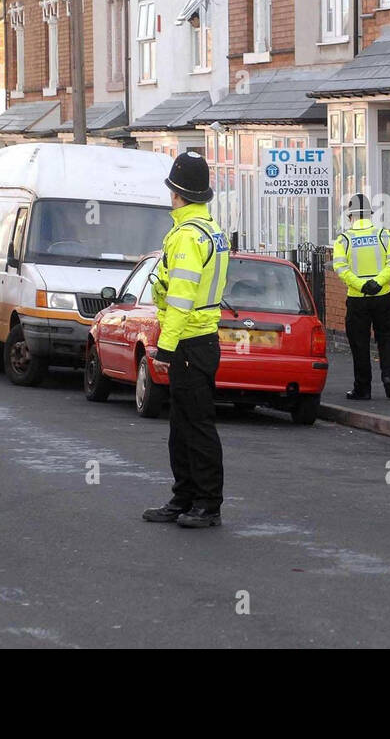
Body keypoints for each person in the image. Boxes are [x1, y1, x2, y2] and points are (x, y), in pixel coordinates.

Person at [143, 152, 230, 529]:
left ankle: (206, 504)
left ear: (177, 194)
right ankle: (185, 499)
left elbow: (181, 296)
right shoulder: (210, 230)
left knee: (194, 426)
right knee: (183, 426)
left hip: (189, 341)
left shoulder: (187, 237)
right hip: (201, 339)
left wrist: (166, 345)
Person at [332, 193, 390, 400]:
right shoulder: (385, 235)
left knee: (359, 344)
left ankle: (363, 388)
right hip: (383, 297)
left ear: (350, 216)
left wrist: (361, 285)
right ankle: (388, 377)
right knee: (386, 339)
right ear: (370, 214)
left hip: (357, 299)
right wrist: (378, 282)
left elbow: (340, 268)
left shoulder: (343, 240)